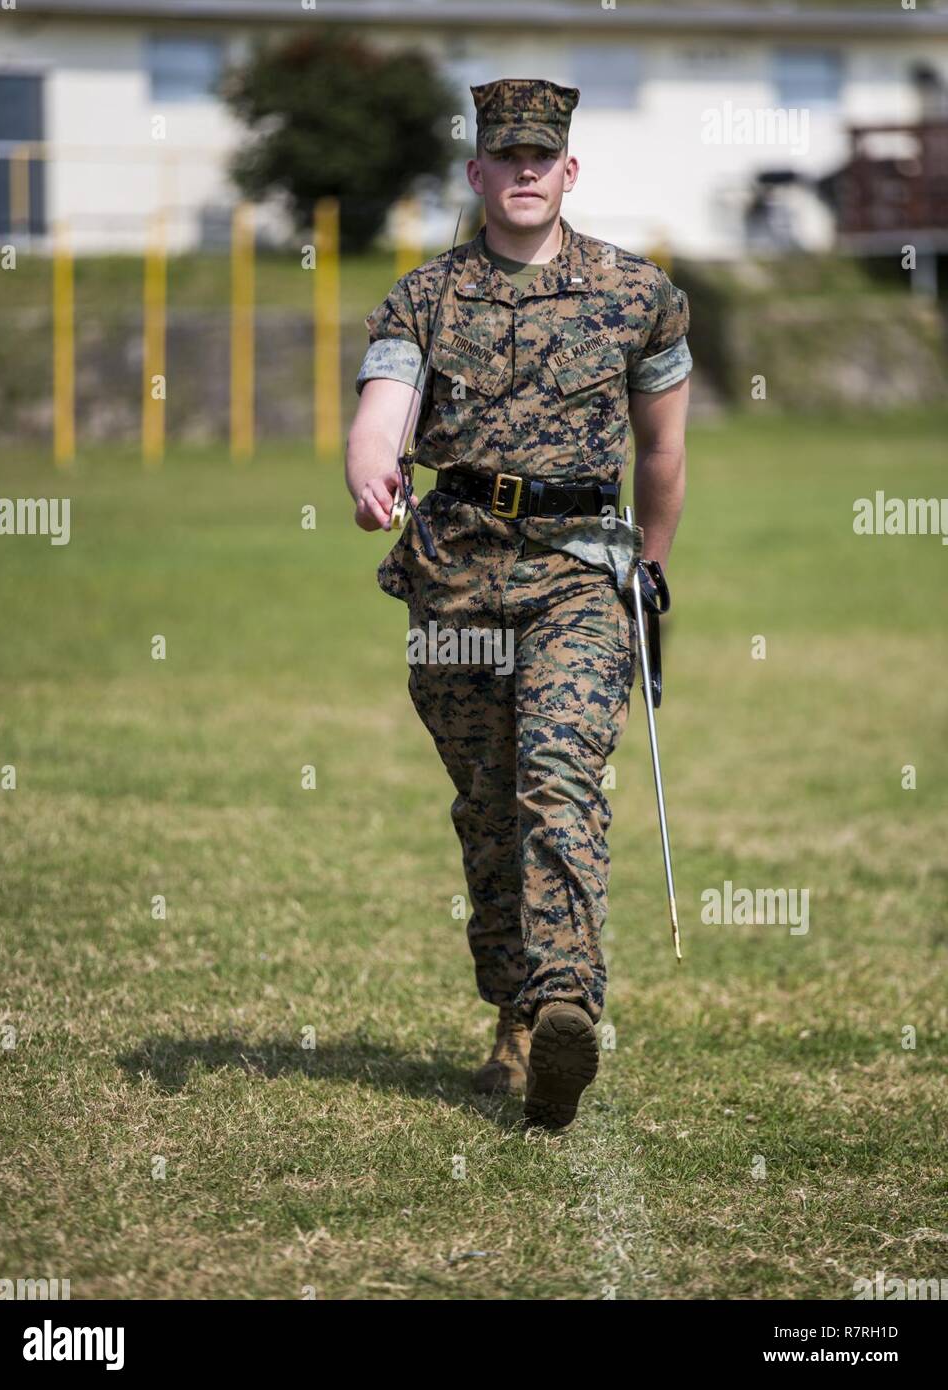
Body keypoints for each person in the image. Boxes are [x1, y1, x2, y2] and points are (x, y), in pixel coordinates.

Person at [345, 78, 691, 1130]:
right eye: (509, 156)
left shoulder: (639, 294)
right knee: (490, 811)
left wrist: (649, 569)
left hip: (581, 576)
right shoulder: (423, 297)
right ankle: (513, 1014)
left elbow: (665, 448)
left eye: (545, 155)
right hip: (454, 579)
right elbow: (383, 410)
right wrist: (368, 475)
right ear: (478, 173)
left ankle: (564, 1002)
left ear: (570, 170)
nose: (528, 170)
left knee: (557, 774)